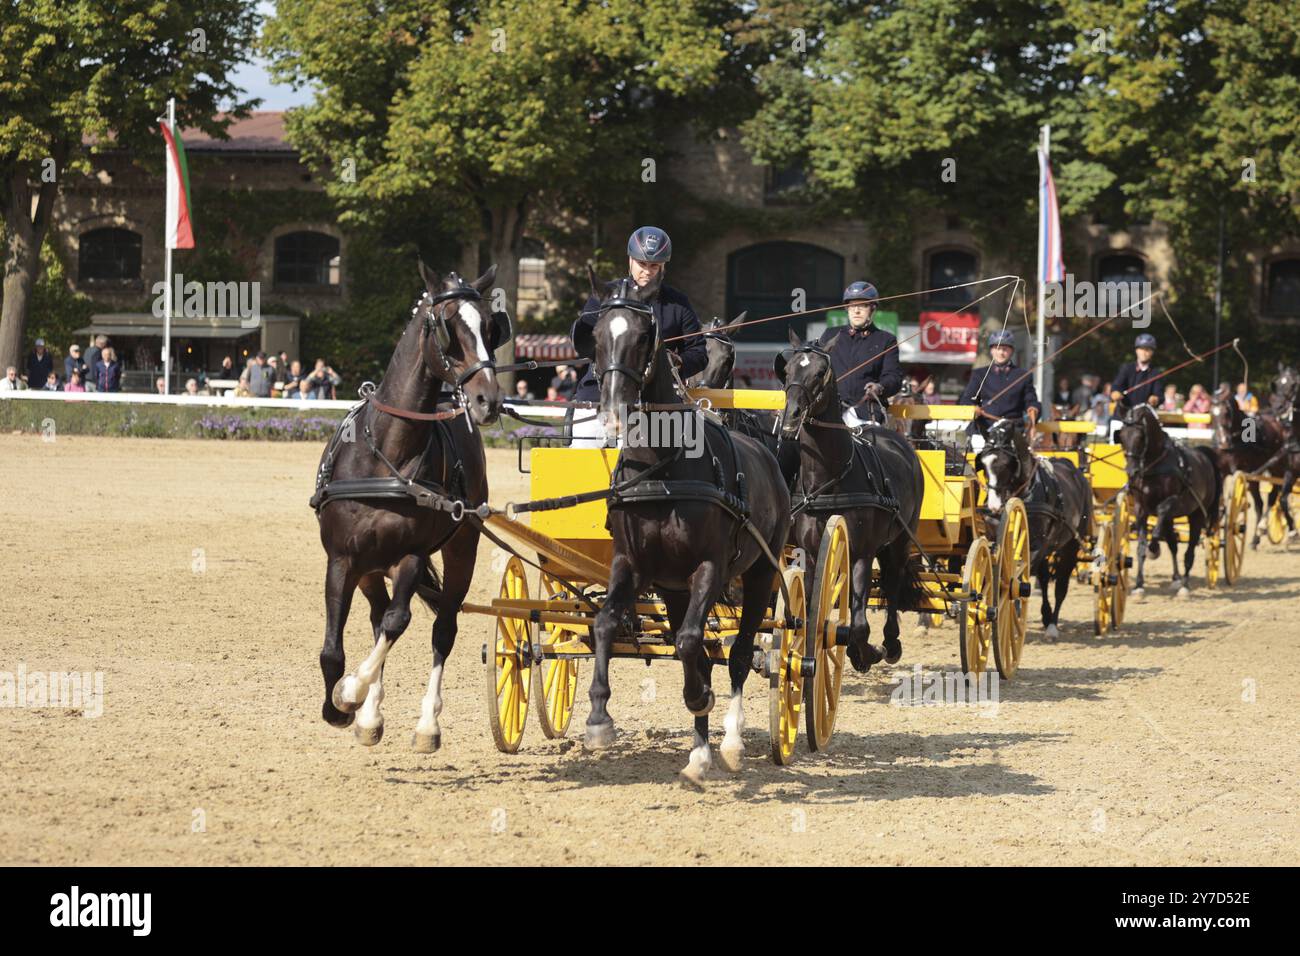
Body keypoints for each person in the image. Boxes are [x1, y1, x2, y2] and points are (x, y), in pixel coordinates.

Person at [569, 226, 707, 444]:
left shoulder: (679, 303)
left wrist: (678, 362)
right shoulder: (606, 294)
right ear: (630, 261)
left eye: (655, 266)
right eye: (642, 264)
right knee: (582, 452)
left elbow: (699, 352)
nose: (648, 271)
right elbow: (583, 333)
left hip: (657, 404)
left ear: (664, 267)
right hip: (598, 394)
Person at [818, 280, 902, 425]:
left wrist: (879, 387)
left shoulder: (886, 340)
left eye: (862, 305)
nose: (856, 311)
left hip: (866, 414)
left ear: (873, 308)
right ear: (847, 308)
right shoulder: (830, 335)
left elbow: (894, 377)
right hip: (830, 412)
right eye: (852, 306)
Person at [959, 329, 1041, 438]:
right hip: (983, 430)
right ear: (991, 350)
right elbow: (966, 399)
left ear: (1011, 351)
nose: (1001, 353)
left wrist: (1033, 408)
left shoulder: (1024, 375)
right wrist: (973, 408)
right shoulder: (978, 374)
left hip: (1013, 430)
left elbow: (1031, 400)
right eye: (997, 348)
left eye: (1005, 349)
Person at [1111, 333, 1163, 408]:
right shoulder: (1126, 368)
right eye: (1141, 349)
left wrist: (1155, 399)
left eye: (1147, 350)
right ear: (1136, 350)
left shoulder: (1155, 373)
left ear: (1152, 352)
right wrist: (1115, 393)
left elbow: (1159, 395)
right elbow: (1117, 385)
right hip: (1122, 414)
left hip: (1143, 415)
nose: (1144, 353)